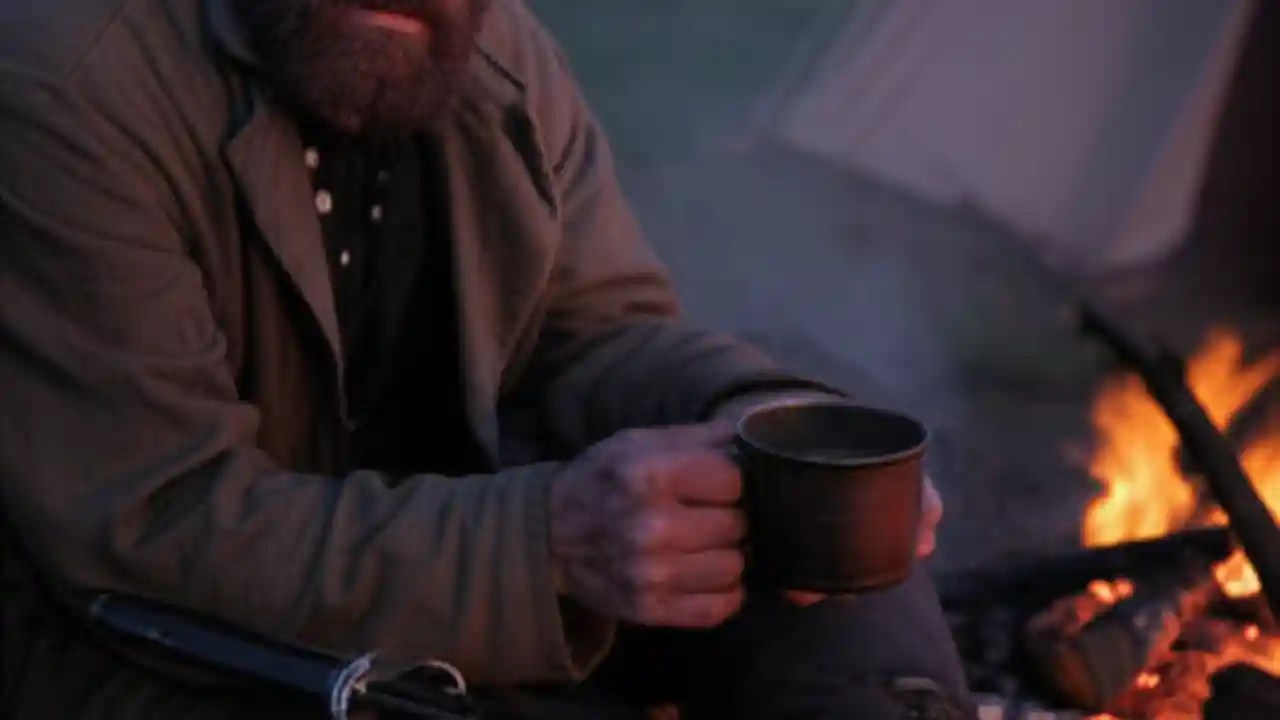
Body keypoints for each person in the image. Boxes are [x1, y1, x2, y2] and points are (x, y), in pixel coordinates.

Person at [0, 0, 971, 716]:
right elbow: (155, 525)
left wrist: (762, 420)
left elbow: (592, 333)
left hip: (432, 600)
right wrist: (545, 545)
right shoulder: (67, 79)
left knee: (835, 597)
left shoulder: (489, 52)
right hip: (155, 648)